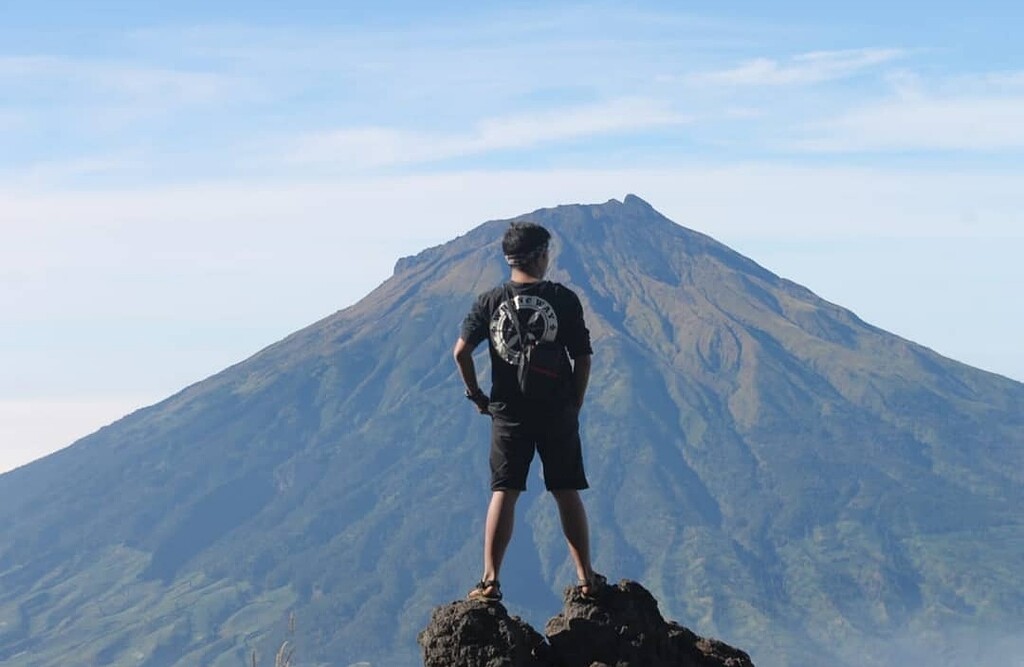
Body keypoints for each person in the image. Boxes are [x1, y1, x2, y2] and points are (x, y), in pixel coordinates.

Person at [453, 221, 605, 603]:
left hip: (508, 412)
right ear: (539, 255)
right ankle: (586, 579)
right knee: (566, 490)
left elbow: (460, 352)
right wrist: (576, 400)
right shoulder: (563, 299)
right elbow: (583, 358)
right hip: (557, 411)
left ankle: (490, 582)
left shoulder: (489, 301)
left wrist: (477, 395)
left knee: (504, 491)